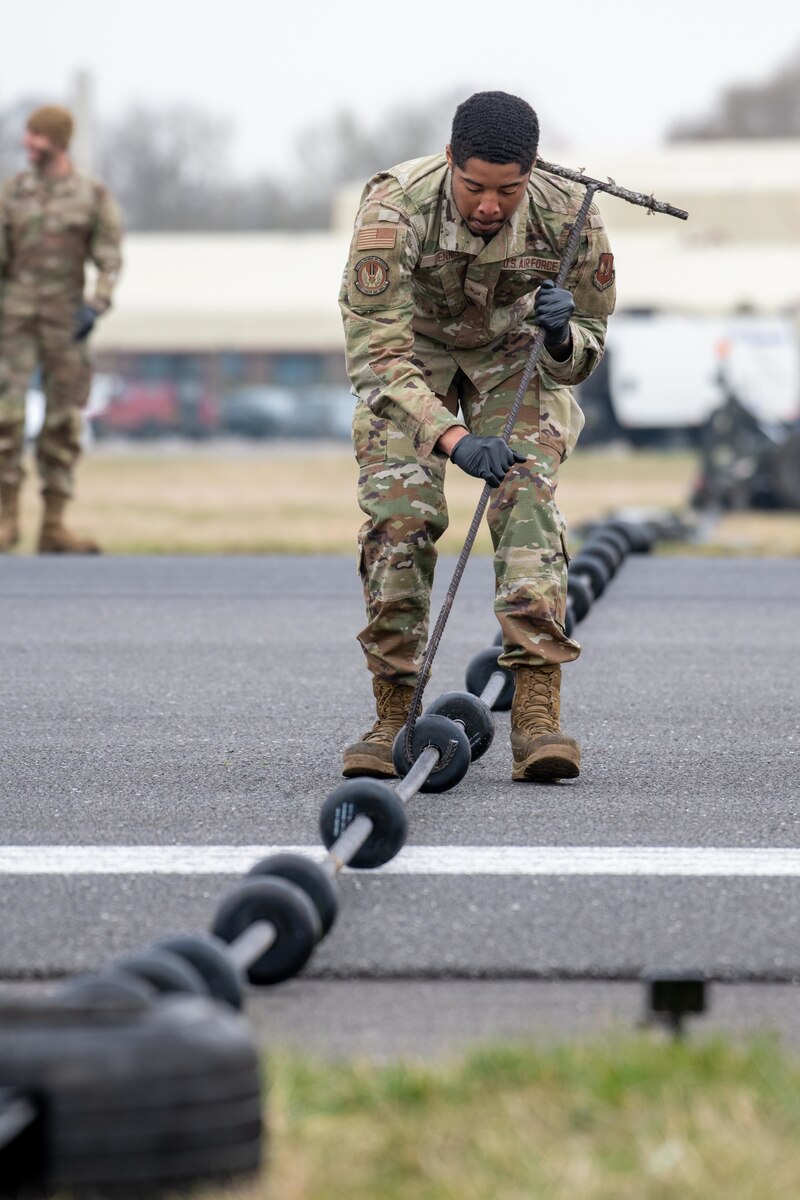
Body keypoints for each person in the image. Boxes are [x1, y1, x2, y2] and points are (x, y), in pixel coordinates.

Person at [339, 91, 615, 783]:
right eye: (474, 186)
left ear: (533, 172)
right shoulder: (394, 206)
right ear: (450, 161)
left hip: (511, 359)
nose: (490, 205)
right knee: (400, 519)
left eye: (508, 190)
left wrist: (559, 333)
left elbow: (588, 352)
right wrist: (453, 439)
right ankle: (393, 711)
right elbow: (377, 357)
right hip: (412, 362)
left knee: (527, 501)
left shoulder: (568, 213)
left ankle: (537, 718)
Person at [0, 105, 122, 553]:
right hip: (12, 323)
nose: (28, 142)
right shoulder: (11, 194)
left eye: (36, 135)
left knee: (63, 422)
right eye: (27, 134)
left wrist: (97, 304)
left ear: (58, 141)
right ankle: (6, 522)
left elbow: (109, 258)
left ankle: (53, 526)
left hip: (66, 324)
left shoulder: (90, 196)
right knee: (5, 419)